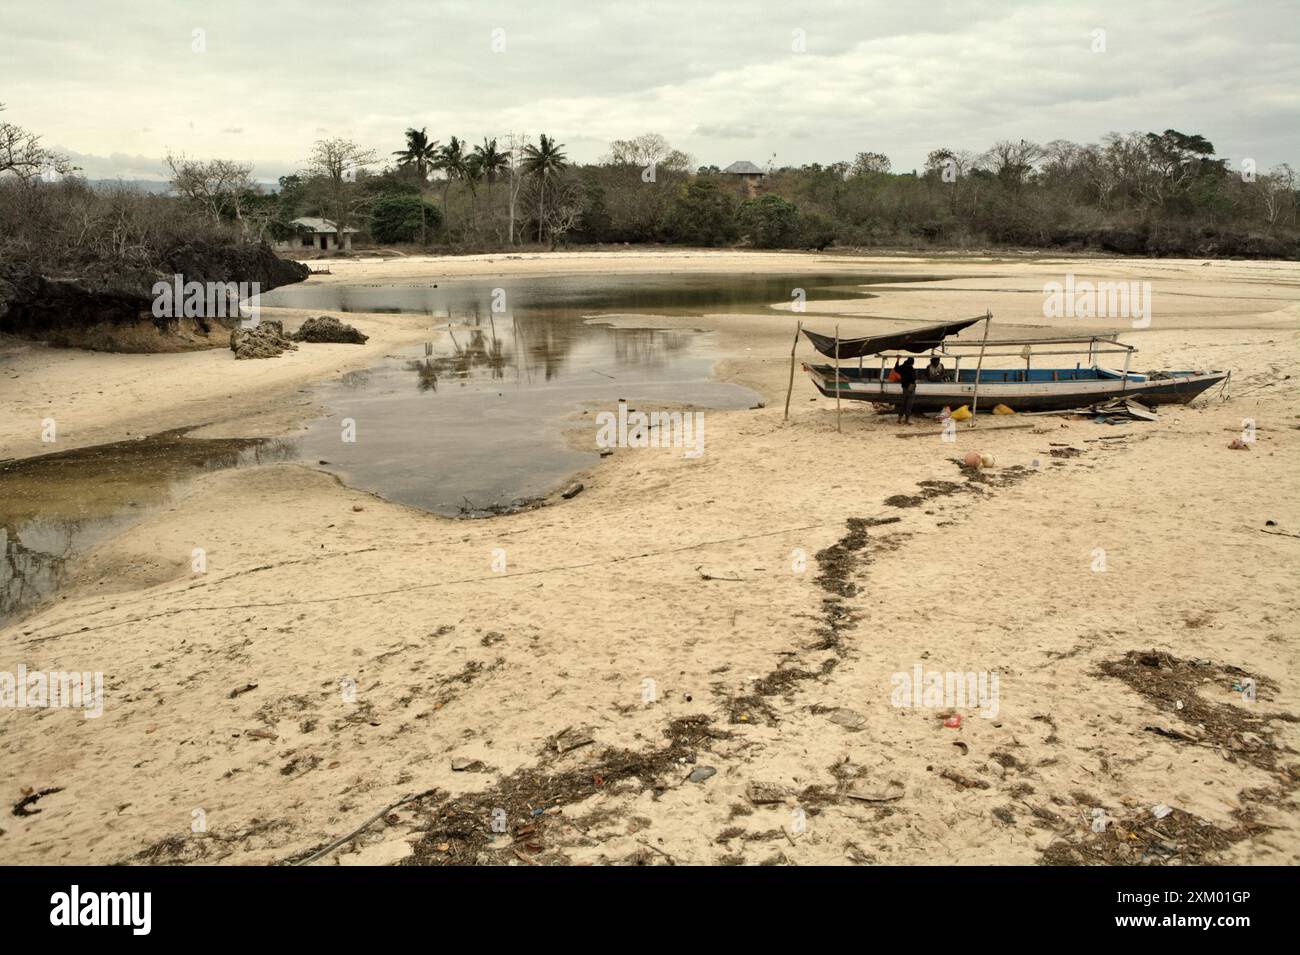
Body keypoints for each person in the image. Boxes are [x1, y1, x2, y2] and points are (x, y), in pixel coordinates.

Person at [895, 357, 917, 424]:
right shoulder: (911, 368)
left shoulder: (902, 367)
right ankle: (907, 420)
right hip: (910, 387)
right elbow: (914, 378)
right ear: (912, 363)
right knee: (909, 404)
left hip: (904, 387)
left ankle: (899, 419)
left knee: (903, 403)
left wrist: (897, 360)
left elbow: (896, 369)